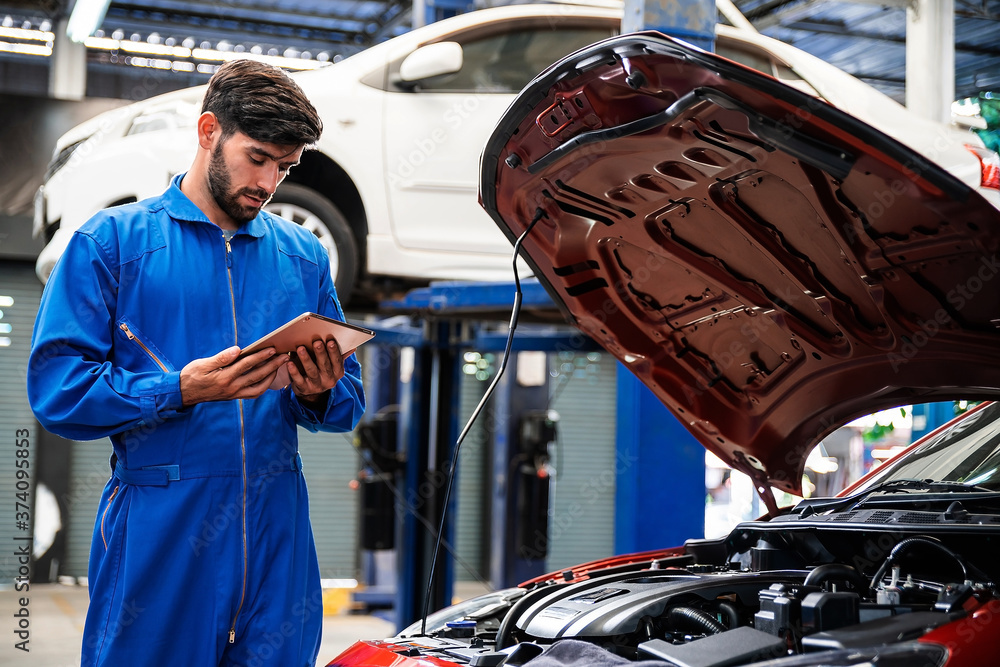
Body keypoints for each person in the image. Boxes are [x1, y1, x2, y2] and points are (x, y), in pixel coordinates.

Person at [27, 59, 365, 666]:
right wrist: (176, 389)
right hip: (161, 525)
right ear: (209, 130)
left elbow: (346, 404)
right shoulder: (111, 244)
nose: (268, 183)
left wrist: (318, 392)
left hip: (277, 528)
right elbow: (58, 391)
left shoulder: (304, 256)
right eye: (257, 157)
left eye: (284, 167)